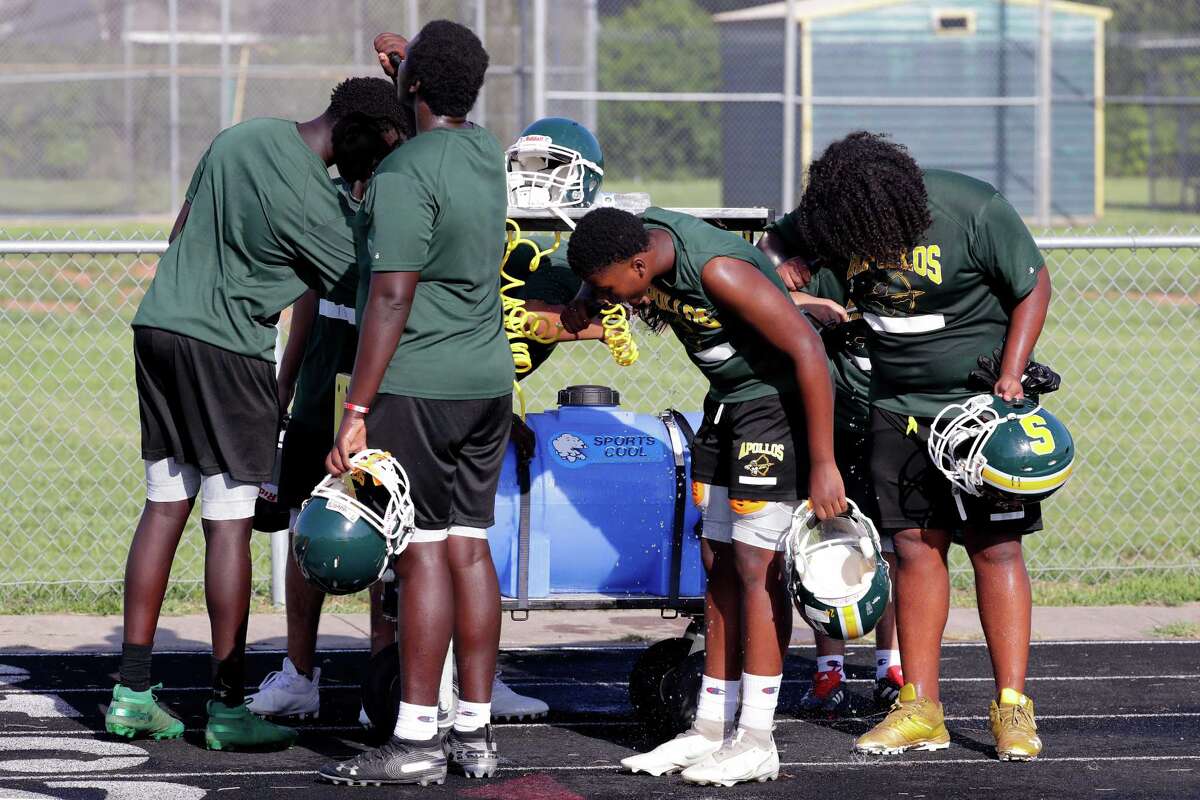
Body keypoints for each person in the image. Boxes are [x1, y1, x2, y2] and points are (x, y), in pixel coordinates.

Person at [105, 78, 407, 751]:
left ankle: (130, 694)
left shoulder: (241, 134)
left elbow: (183, 231)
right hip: (228, 350)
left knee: (163, 503)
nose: (376, 167)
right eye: (381, 151)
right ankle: (227, 706)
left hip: (158, 327)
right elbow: (370, 292)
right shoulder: (317, 205)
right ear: (357, 128)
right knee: (229, 524)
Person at [563, 206, 846, 787]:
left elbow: (809, 355)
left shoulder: (717, 270)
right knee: (716, 559)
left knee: (754, 564)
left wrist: (823, 465)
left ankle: (758, 737)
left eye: (612, 288)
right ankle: (711, 727)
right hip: (727, 404)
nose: (612, 300)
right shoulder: (631, 242)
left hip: (776, 406)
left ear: (641, 264)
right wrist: (584, 298)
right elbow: (599, 274)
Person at [793, 131, 1052, 761]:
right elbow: (779, 244)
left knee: (996, 549)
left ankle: (1012, 708)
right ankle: (920, 706)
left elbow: (1034, 285)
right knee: (912, 550)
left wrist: (1012, 372)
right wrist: (789, 270)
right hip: (895, 410)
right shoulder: (836, 221)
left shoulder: (971, 207)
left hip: (977, 412)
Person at [316, 21, 512, 786]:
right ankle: (475, 734)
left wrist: (357, 405)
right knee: (470, 548)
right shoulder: (486, 150)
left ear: (417, 89)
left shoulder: (401, 174)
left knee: (421, 554)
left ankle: (417, 739)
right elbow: (443, 106)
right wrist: (415, 67)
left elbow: (392, 295)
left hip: (419, 384)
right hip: (489, 384)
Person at [758, 220, 904, 716]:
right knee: (827, 546)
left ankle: (891, 666)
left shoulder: (907, 268)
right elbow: (760, 290)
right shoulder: (819, 269)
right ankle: (829, 673)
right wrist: (796, 290)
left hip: (894, 422)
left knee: (898, 549)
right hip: (831, 429)